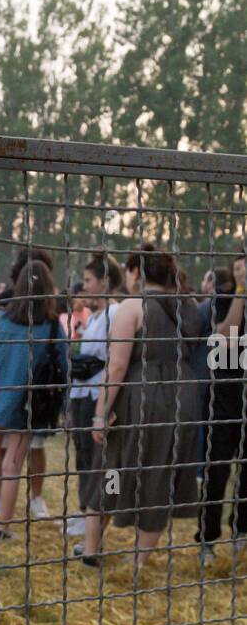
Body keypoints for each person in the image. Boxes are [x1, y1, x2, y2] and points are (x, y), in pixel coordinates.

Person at [82, 244, 204, 570]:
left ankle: (91, 551)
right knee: (160, 472)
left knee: (112, 466)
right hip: (183, 398)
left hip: (140, 398)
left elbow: (117, 366)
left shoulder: (132, 306)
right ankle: (138, 564)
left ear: (136, 272)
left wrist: (99, 414)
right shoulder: (188, 304)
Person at [0, 261, 67, 539]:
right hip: (26, 404)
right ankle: (3, 528)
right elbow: (64, 369)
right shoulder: (52, 326)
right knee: (12, 466)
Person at [65, 252, 122, 538]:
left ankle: (92, 509)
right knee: (82, 454)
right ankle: (83, 508)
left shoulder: (114, 314)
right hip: (81, 392)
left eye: (89, 280)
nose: (84, 286)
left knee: (96, 458)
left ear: (104, 282)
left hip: (96, 395)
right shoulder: (95, 315)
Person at [195, 251, 247, 565]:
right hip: (223, 401)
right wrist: (241, 292)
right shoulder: (223, 299)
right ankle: (207, 540)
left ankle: (241, 532)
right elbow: (226, 338)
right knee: (216, 474)